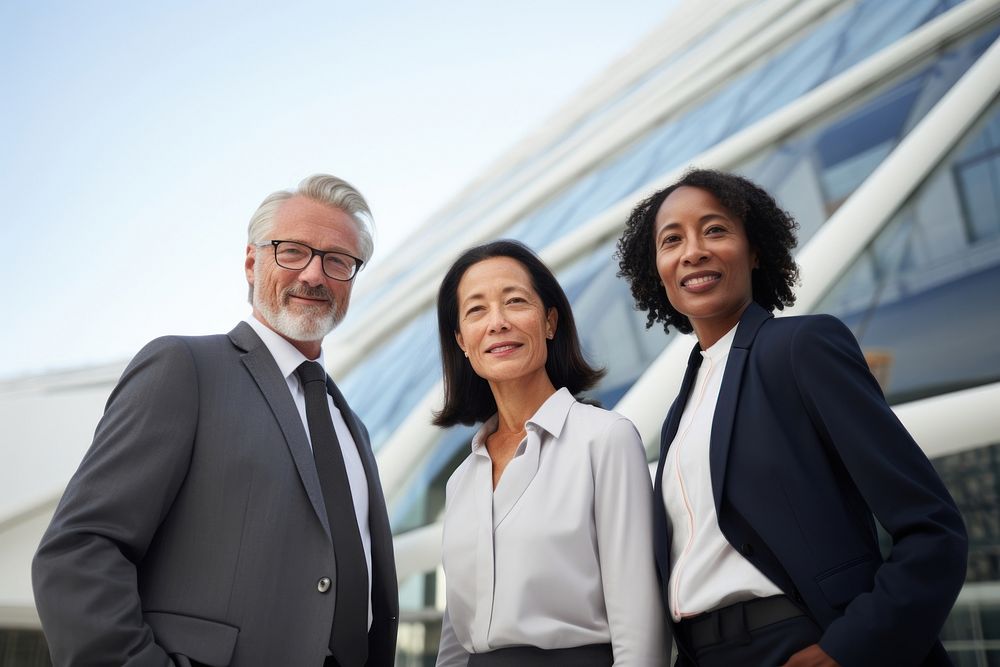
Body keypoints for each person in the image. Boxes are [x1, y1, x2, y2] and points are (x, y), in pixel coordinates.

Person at [32, 175, 398, 667]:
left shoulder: (352, 427)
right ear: (252, 261)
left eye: (337, 260)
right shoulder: (185, 369)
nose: (313, 274)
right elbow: (79, 553)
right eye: (292, 251)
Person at [616, 168, 968, 667]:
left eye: (715, 230)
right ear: (657, 269)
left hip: (802, 639)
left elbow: (934, 530)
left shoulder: (801, 347)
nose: (692, 250)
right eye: (671, 240)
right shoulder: (680, 410)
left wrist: (845, 651)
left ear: (754, 250)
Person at [432, 239, 668, 667]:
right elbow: (455, 638)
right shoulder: (462, 479)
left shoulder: (605, 439)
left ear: (550, 322)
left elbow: (640, 624)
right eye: (476, 310)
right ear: (462, 341)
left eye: (515, 302)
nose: (498, 322)